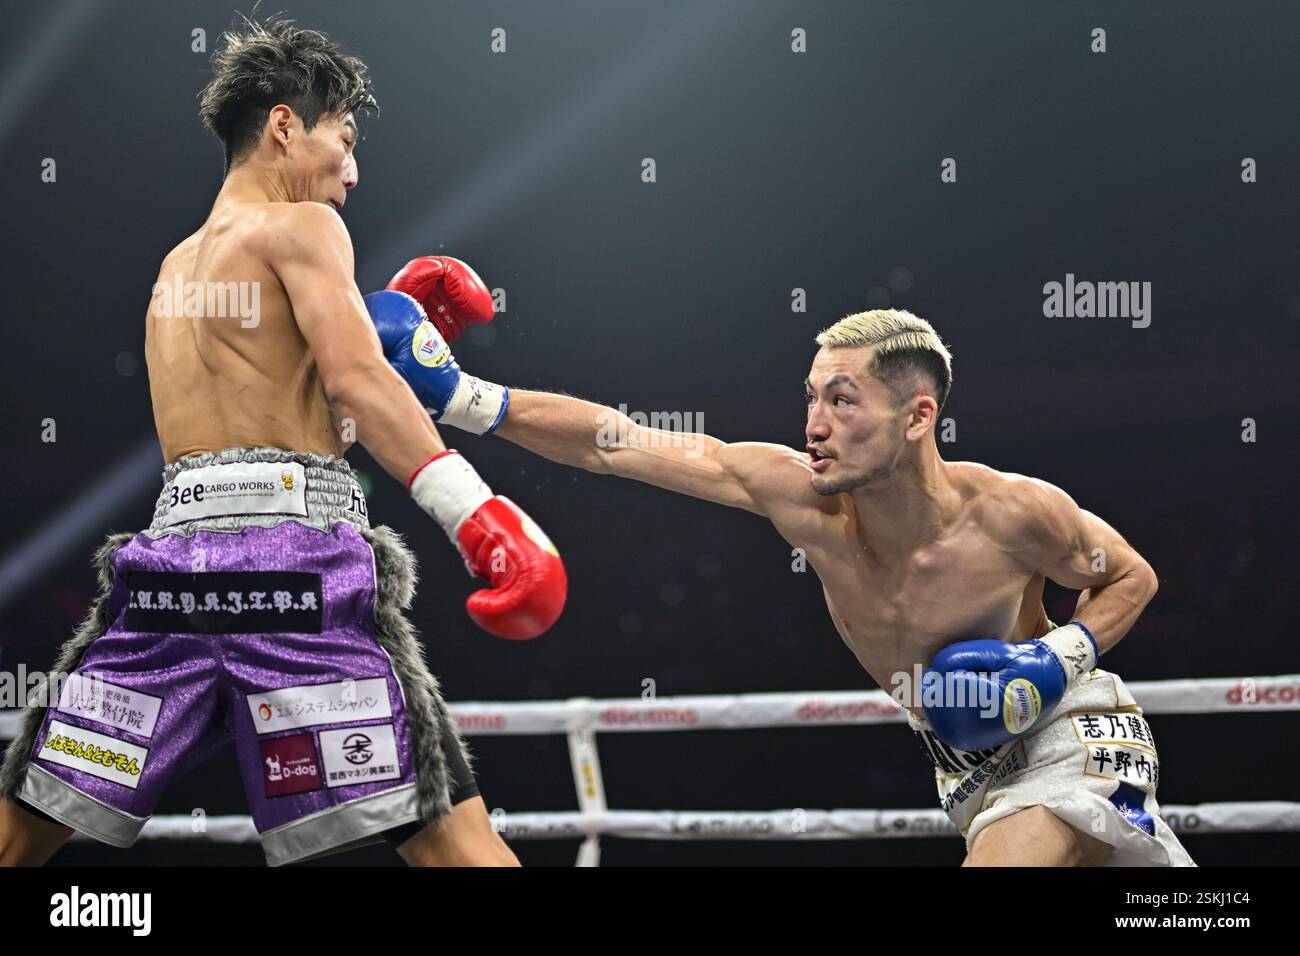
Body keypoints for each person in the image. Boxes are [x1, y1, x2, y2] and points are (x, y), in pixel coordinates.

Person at [0, 17, 566, 868]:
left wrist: (373, 358)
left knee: (20, 831)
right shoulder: (302, 230)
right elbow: (355, 388)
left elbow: (263, 430)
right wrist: (476, 514)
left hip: (167, 583)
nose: (353, 172)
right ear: (283, 126)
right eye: (345, 138)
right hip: (292, 579)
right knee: (455, 846)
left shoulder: (173, 271)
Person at [372, 291, 1195, 867]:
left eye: (843, 400)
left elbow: (1130, 575)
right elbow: (613, 444)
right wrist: (466, 398)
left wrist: (1060, 658)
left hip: (1069, 734)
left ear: (918, 417)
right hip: (964, 768)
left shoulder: (1015, 514)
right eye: (810, 398)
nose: (814, 424)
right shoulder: (796, 497)